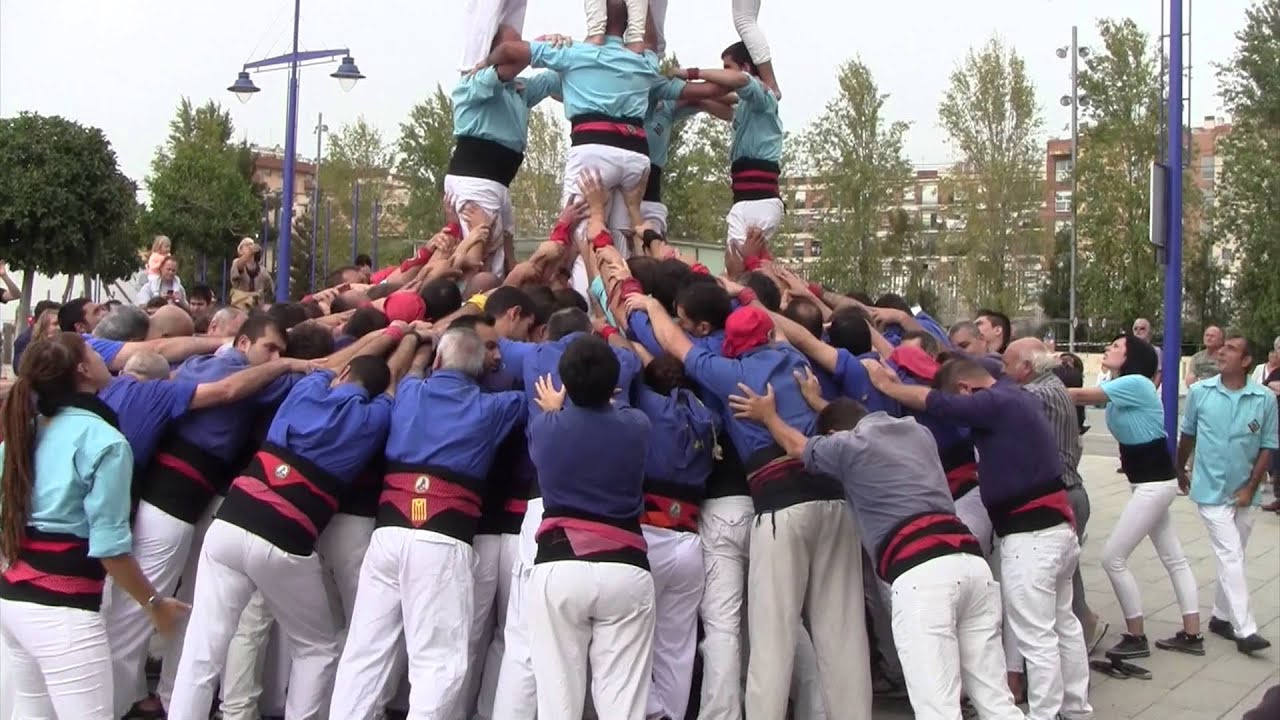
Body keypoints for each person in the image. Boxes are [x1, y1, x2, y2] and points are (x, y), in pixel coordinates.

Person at [628, 296, 871, 720]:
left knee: (771, 632)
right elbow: (786, 329)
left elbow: (672, 341)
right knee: (843, 631)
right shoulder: (796, 359)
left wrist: (648, 303)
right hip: (834, 500)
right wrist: (743, 294)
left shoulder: (733, 373)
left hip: (781, 504)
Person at [728, 386, 1023, 720]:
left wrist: (768, 416)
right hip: (971, 564)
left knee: (937, 704)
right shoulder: (916, 432)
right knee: (995, 699)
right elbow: (856, 422)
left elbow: (798, 446)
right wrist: (824, 403)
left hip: (923, 576)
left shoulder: (849, 447)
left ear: (833, 434)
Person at [166, 332, 408, 720]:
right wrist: (410, 341)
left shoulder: (305, 392)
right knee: (316, 647)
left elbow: (327, 368)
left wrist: (388, 334)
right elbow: (392, 384)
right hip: (284, 540)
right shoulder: (373, 417)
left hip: (229, 522)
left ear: (344, 373)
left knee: (202, 648)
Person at [865, 356, 1092, 720]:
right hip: (1054, 529)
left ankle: (1046, 714)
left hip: (1030, 534)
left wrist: (888, 387)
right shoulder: (1012, 395)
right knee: (1062, 624)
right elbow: (946, 363)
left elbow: (936, 402)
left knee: (1037, 634)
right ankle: (1077, 708)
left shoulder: (994, 401)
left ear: (967, 392)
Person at [330, 326, 526, 719]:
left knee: (364, 653)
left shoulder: (411, 391)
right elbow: (531, 393)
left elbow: (413, 368)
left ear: (438, 360)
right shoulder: (496, 406)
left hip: (388, 531)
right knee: (437, 663)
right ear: (482, 368)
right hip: (442, 537)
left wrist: (420, 344)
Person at [0, 333, 188, 719]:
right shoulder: (106, 441)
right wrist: (154, 605)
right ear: (84, 369)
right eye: (94, 351)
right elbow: (110, 546)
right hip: (64, 609)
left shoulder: (22, 435)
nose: (106, 357)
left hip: (14, 601)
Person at [525, 335, 656, 719]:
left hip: (558, 566)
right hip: (627, 567)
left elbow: (559, 420)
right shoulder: (638, 425)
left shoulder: (546, 427)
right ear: (613, 385)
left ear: (564, 383)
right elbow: (624, 385)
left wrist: (554, 407)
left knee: (558, 699)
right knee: (624, 702)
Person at [1065, 334, 1203, 659]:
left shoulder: (1137, 383)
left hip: (1155, 483)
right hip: (1149, 483)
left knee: (1112, 558)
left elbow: (1080, 394)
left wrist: (1031, 389)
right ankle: (1192, 633)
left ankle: (1136, 636)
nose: (1107, 349)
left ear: (1132, 357)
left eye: (1115, 346)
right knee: (1174, 558)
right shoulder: (1121, 386)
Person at [1177, 333, 1277, 656]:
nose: (1221, 352)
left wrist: (1251, 487)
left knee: (1234, 555)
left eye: (1231, 349)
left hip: (1246, 492)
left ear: (1246, 361)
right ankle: (1245, 630)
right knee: (1230, 554)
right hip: (1209, 490)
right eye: (1222, 348)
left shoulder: (1264, 399)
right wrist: (1179, 469)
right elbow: (1187, 435)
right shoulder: (1200, 393)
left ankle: (1220, 617)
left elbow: (1268, 446)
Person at [634, 354, 717, 720]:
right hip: (689, 541)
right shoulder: (707, 416)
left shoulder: (647, 404)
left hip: (649, 537)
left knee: (630, 641)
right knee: (677, 649)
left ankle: (652, 713)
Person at [673, 43, 784, 256]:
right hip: (745, 200)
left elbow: (740, 81)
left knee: (741, 262)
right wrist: (694, 99)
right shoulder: (747, 107)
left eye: (727, 67)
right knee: (740, 263)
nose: (723, 73)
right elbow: (720, 105)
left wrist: (692, 74)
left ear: (745, 67)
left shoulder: (762, 96)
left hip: (759, 199)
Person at [230, 238, 273, 310]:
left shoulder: (262, 270)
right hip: (240, 307)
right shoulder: (237, 263)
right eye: (246, 245)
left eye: (251, 244)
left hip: (257, 309)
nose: (250, 246)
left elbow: (269, 289)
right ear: (240, 251)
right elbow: (239, 266)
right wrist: (249, 252)